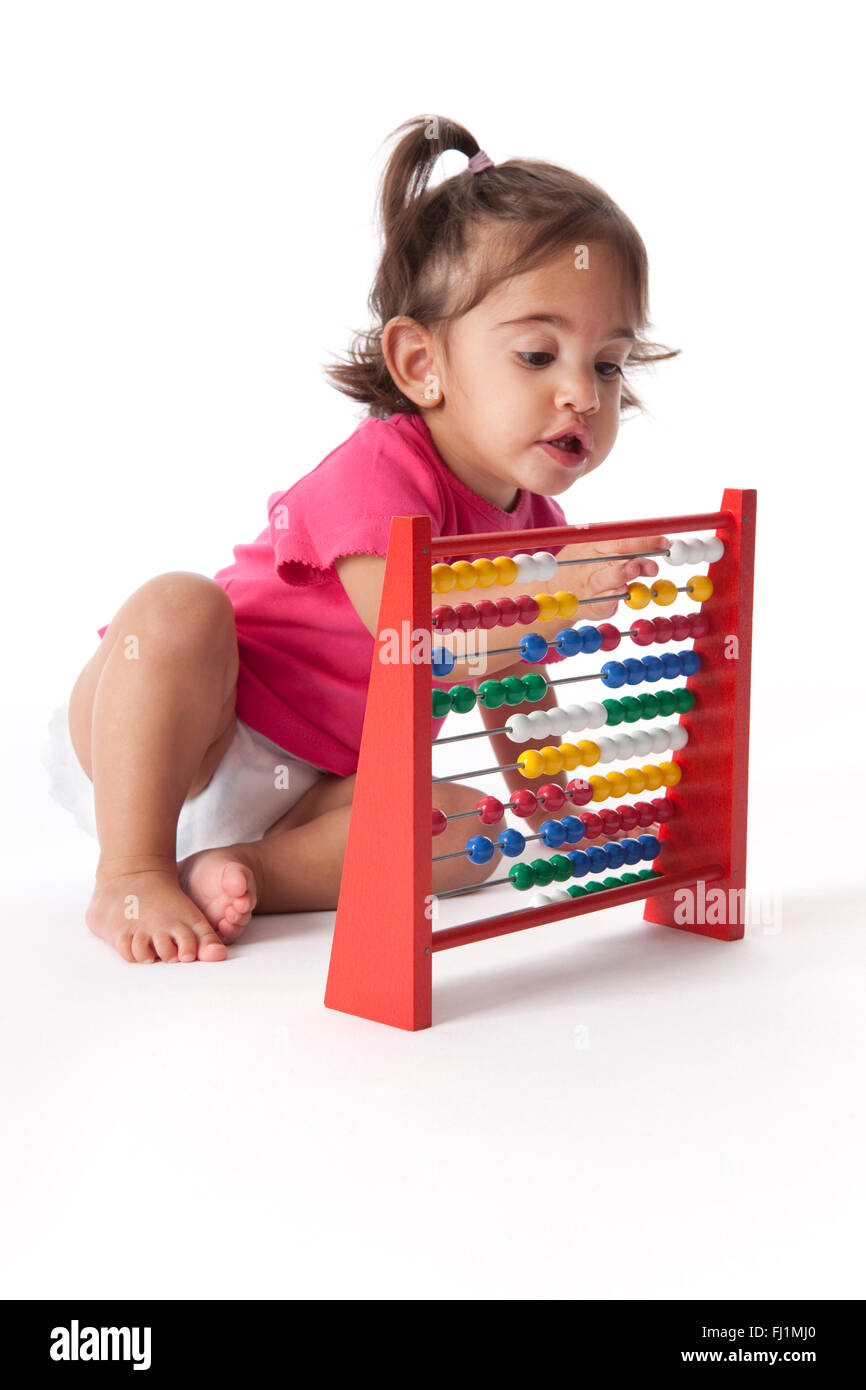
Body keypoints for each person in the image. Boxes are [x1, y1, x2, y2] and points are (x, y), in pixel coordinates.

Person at [47, 114, 677, 963]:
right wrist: (555, 603)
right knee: (175, 606)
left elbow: (511, 690)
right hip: (184, 738)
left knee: (468, 833)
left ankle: (244, 869)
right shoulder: (379, 472)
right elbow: (418, 641)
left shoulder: (536, 526)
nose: (584, 396)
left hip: (317, 793)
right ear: (422, 364)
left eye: (607, 363)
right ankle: (130, 868)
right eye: (537, 355)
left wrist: (553, 807)